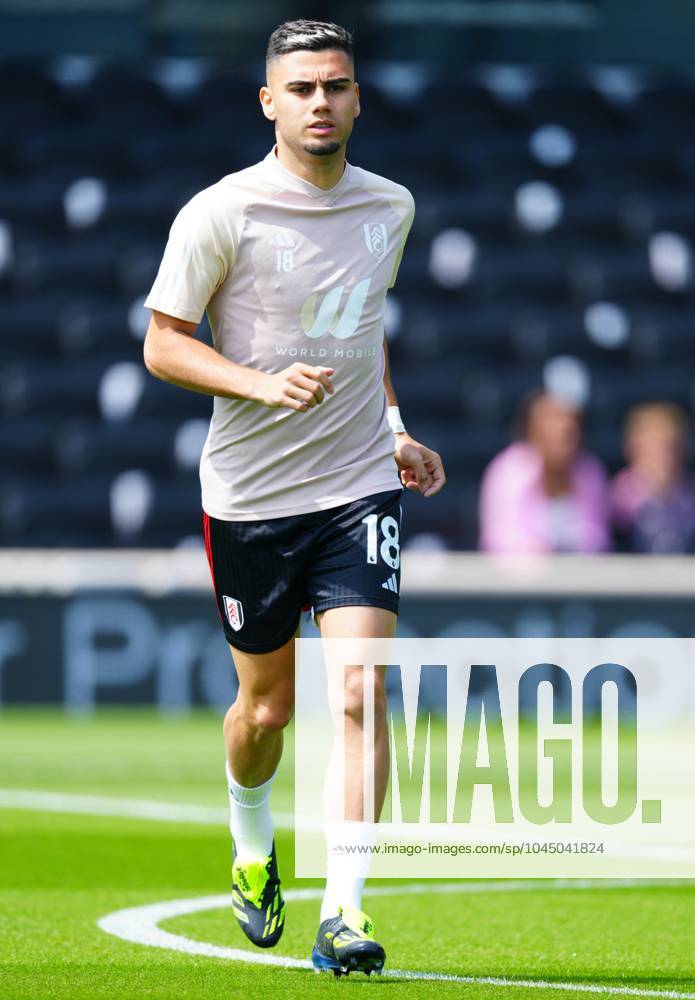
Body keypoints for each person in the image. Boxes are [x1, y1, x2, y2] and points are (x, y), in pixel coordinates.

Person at [142, 19, 445, 977]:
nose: (323, 102)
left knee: (359, 692)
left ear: (359, 98)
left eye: (338, 86)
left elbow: (364, 329)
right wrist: (254, 381)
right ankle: (249, 837)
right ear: (268, 102)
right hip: (251, 497)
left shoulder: (389, 206)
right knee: (263, 713)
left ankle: (344, 914)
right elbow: (163, 342)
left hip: (358, 484)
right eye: (303, 88)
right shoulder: (220, 213)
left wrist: (393, 428)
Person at [478, 390, 610, 553]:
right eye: (553, 419)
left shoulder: (590, 471)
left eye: (571, 420)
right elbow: (501, 542)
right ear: (531, 428)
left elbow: (598, 542)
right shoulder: (507, 471)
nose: (564, 427)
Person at [610, 402, 695, 553]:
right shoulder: (616, 499)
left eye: (672, 447)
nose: (664, 456)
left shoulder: (690, 493)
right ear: (632, 449)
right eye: (655, 447)